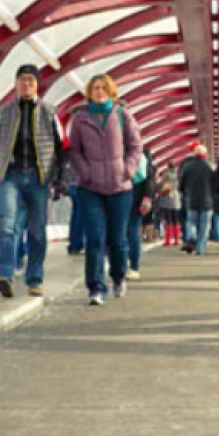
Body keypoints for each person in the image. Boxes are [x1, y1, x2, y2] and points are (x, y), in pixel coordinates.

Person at [0, 63, 67, 299]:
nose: (26, 84)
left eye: (30, 80)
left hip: (40, 177)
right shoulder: (4, 113)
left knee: (37, 231)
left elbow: (63, 148)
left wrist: (61, 179)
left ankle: (35, 279)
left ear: (37, 85)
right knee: (7, 225)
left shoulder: (50, 113)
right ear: (16, 84)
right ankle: (5, 275)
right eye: (22, 80)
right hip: (10, 175)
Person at [66, 73, 144, 305]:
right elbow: (74, 151)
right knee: (95, 239)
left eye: (103, 88)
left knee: (117, 239)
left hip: (120, 187)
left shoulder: (122, 115)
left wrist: (127, 170)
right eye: (95, 88)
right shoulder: (80, 119)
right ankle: (96, 288)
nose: (99, 91)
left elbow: (136, 146)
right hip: (90, 187)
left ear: (111, 92)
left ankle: (118, 276)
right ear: (89, 93)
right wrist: (85, 172)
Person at [177, 144, 215, 255]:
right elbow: (215, 184)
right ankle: (200, 249)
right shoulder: (209, 167)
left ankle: (192, 236)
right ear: (205, 154)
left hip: (191, 199)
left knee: (191, 222)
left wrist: (183, 191)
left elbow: (181, 184)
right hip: (207, 200)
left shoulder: (187, 167)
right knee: (205, 225)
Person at [125, 148, 154, 280]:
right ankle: (133, 267)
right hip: (137, 195)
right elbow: (150, 177)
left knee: (127, 231)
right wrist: (148, 196)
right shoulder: (143, 151)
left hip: (124, 193)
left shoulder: (117, 147)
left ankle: (129, 264)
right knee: (132, 230)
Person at [156, 166, 183, 245]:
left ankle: (168, 240)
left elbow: (159, 186)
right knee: (176, 220)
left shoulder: (165, 175)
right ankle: (177, 240)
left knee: (168, 220)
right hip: (176, 200)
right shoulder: (178, 175)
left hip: (166, 200)